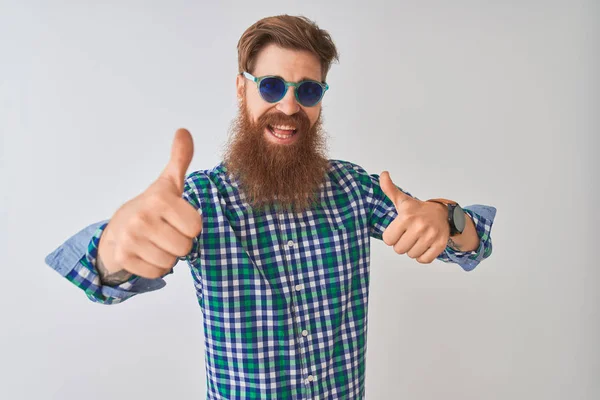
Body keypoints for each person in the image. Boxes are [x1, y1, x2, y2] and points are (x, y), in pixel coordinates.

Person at [45, 14, 497, 400]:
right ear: (242, 90)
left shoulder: (355, 190)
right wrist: (114, 251)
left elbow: (473, 245)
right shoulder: (203, 200)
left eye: (308, 92)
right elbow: (98, 276)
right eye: (272, 85)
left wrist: (445, 217)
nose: (288, 105)